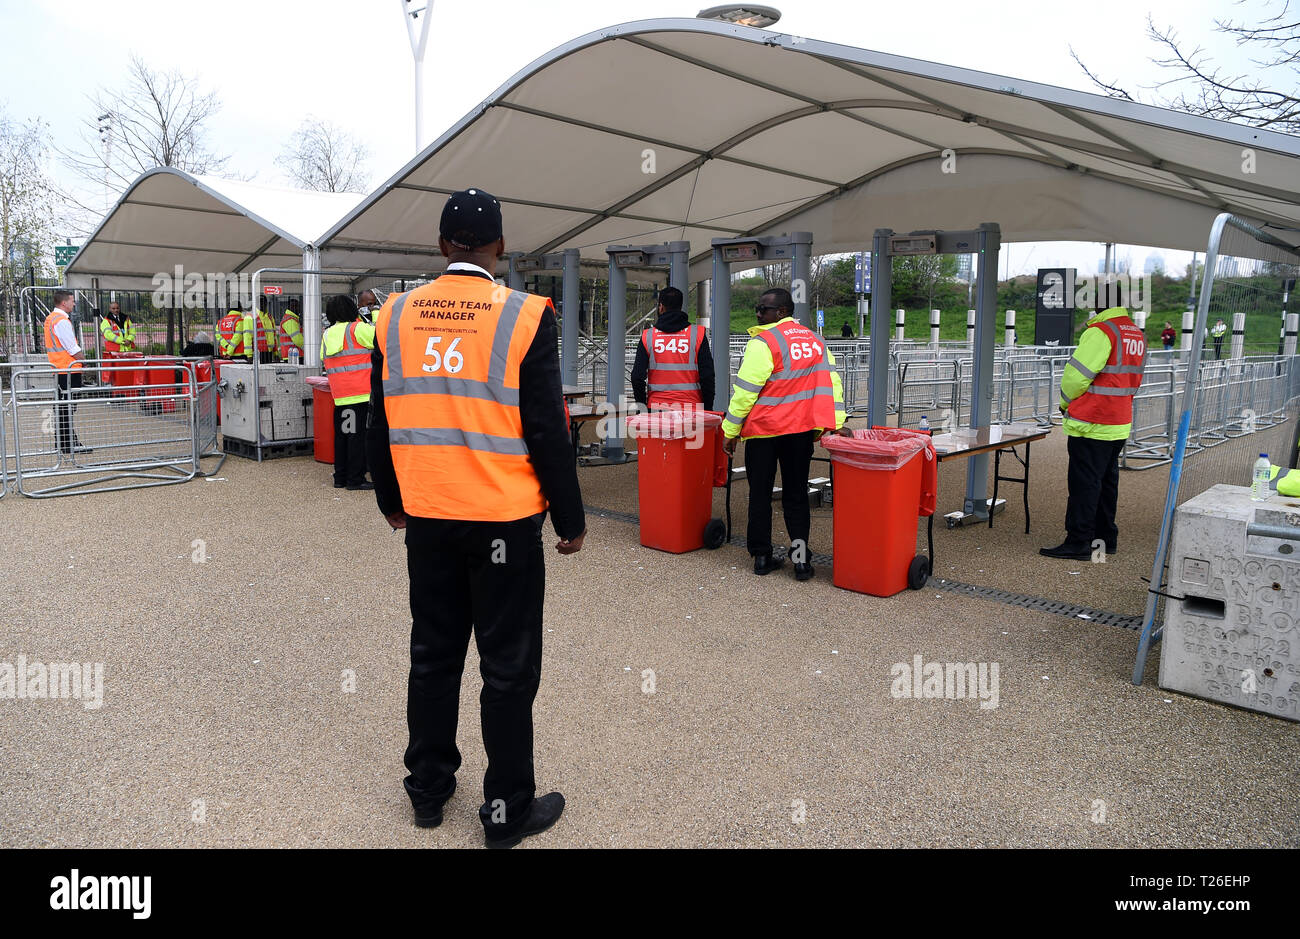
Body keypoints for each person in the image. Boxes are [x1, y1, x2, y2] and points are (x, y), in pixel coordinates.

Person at [366, 188, 585, 849]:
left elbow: (382, 419)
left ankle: (427, 792)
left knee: (432, 656)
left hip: (430, 518)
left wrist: (391, 500)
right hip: (503, 523)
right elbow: (547, 428)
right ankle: (505, 811)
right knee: (507, 667)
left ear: (441, 248)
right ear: (500, 247)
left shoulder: (395, 316)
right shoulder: (523, 315)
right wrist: (569, 516)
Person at [722, 287, 848, 580]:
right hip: (800, 432)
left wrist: (730, 431)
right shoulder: (816, 341)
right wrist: (836, 422)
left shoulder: (763, 341)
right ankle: (802, 562)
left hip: (764, 432)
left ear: (781, 311)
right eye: (758, 307)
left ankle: (762, 557)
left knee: (760, 495)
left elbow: (745, 392)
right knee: (796, 496)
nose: (757, 313)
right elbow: (833, 384)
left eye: (763, 309)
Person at [1041, 278, 1146, 560]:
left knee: (1084, 485)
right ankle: (1105, 538)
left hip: (1093, 421)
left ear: (1101, 302)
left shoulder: (1102, 331)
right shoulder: (1134, 332)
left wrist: (1065, 403)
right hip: (1119, 420)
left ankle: (1079, 542)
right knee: (1107, 482)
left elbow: (1076, 376)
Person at [630, 286, 715, 410]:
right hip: (691, 410)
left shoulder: (648, 336)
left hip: (657, 410)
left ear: (661, 307)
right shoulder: (697, 335)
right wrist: (707, 409)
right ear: (680, 307)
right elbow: (707, 376)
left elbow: (637, 378)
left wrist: (642, 408)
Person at [321, 295, 375, 490]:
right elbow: (383, 341)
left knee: (343, 436)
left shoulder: (327, 334)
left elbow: (324, 357)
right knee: (357, 439)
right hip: (361, 394)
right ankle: (355, 479)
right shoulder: (358, 329)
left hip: (341, 395)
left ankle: (340, 477)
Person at [44, 290, 91, 454]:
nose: (74, 303)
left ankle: (64, 442)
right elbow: (72, 347)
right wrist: (84, 363)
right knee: (68, 407)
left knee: (64, 407)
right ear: (64, 303)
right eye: (72, 301)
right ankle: (68, 443)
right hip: (68, 369)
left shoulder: (52, 318)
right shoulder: (61, 321)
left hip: (60, 369)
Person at [278, 298, 304, 363]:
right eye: (297, 307)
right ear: (292, 307)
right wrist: (308, 349)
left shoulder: (291, 319)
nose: (299, 309)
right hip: (293, 356)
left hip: (292, 355)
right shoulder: (290, 320)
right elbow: (297, 340)